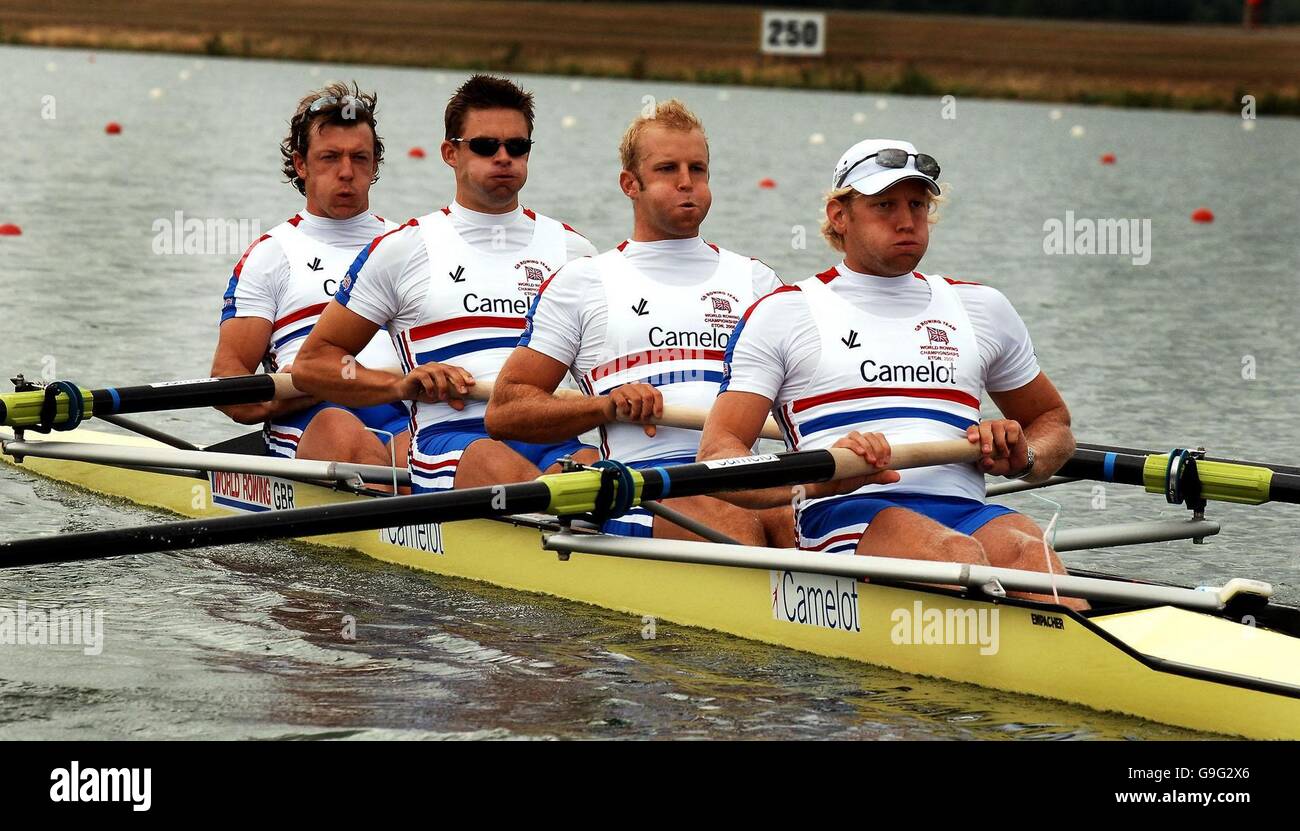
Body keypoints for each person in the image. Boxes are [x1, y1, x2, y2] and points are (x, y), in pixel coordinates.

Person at [697, 138, 1084, 608]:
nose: (907, 222)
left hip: (966, 510)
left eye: (918, 205)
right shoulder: (784, 313)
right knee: (957, 556)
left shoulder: (982, 307)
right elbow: (718, 457)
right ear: (840, 215)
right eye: (885, 206)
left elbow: (1053, 424)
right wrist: (818, 481)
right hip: (843, 511)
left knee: (1030, 555)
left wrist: (1023, 456)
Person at [486, 99, 792, 546]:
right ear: (630, 183)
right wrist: (606, 406)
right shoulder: (583, 282)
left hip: (742, 476)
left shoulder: (758, 281)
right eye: (668, 169)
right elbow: (505, 411)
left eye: (698, 169)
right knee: (738, 524)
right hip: (645, 491)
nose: (687, 182)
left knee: (807, 523)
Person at [293, 74, 598, 491]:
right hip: (450, 439)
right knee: (506, 470)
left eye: (517, 146)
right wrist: (399, 385)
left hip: (549, 437)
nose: (503, 157)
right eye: (486, 146)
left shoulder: (574, 252)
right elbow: (314, 364)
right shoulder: (404, 249)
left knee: (594, 470)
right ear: (450, 153)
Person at [212, 82, 409, 465]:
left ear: (375, 165)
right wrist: (311, 387)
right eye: (330, 158)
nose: (347, 173)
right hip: (311, 418)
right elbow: (228, 382)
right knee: (344, 433)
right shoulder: (272, 254)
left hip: (401, 414)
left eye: (360, 158)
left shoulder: (409, 245)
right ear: (301, 164)